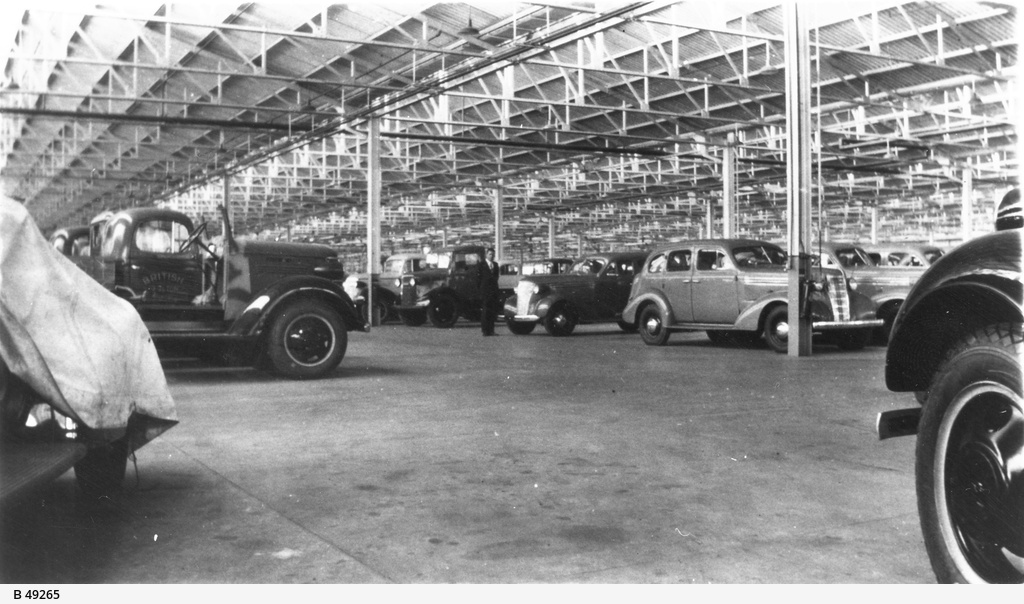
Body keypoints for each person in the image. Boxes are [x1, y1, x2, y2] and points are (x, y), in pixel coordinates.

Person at [477, 247, 500, 336]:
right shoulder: (481, 265)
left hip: (493, 292)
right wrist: (480, 290)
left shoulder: (496, 265)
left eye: (493, 255)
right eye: (490, 254)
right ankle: (485, 331)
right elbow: (478, 279)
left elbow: (496, 277)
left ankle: (491, 330)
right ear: (486, 255)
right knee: (485, 311)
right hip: (485, 292)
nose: (492, 256)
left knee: (492, 311)